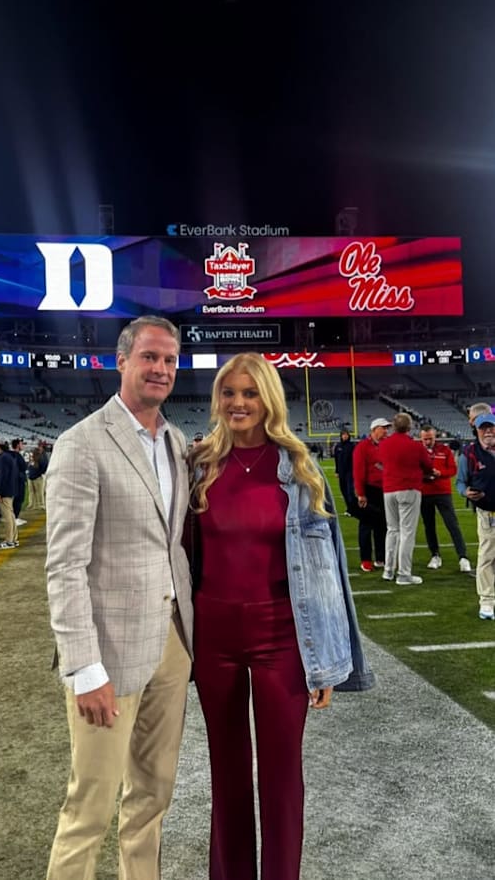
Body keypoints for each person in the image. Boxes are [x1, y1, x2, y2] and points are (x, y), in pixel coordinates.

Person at [187, 353, 374, 880]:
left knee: (282, 772)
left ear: (268, 399)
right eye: (229, 393)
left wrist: (326, 661)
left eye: (250, 393)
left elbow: (328, 569)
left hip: (284, 636)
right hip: (213, 635)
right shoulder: (198, 464)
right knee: (226, 770)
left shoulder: (299, 467)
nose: (238, 403)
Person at [44, 315, 194, 880]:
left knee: (153, 795)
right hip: (108, 652)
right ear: (122, 360)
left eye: (170, 360)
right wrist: (84, 668)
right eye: (150, 357)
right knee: (91, 806)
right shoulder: (81, 443)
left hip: (172, 642)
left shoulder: (175, 441)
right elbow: (65, 566)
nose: (161, 369)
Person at [379, 412, 434, 585]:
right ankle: (403, 574)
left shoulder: (384, 444)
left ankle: (388, 570)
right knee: (407, 533)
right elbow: (428, 466)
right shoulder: (415, 446)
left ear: (394, 426)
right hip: (408, 488)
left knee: (392, 530)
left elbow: (381, 462)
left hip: (389, 490)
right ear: (410, 427)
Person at [419, 425, 474, 576]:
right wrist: (424, 476)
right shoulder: (418, 451)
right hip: (425, 492)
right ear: (421, 438)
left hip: (443, 492)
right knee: (429, 526)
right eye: (425, 439)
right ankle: (435, 555)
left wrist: (440, 473)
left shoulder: (444, 450)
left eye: (430, 438)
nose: (427, 442)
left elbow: (452, 470)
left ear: (435, 437)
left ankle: (463, 557)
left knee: (452, 524)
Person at [456, 412, 495, 620]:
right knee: (487, 556)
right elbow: (460, 482)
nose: (488, 431)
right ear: (476, 430)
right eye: (483, 428)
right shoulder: (470, 453)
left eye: (491, 427)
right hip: (488, 512)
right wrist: (466, 492)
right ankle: (487, 601)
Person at [352, 417, 391, 572]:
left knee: (382, 526)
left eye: (387, 428)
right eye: (383, 428)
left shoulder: (387, 445)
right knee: (366, 526)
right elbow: (358, 471)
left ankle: (381, 557)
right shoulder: (362, 447)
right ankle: (366, 559)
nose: (386, 431)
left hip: (385, 489)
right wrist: (361, 494)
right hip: (370, 489)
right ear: (374, 430)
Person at [0, 440, 19, 550]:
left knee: (7, 516)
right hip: (11, 489)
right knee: (11, 514)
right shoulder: (10, 457)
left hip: (5, 491)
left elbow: (2, 476)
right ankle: (14, 539)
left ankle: (9, 541)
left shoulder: (3, 458)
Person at [333, 429, 355, 515]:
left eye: (346, 435)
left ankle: (353, 509)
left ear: (349, 436)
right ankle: (349, 508)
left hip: (350, 471)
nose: (345, 436)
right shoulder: (338, 446)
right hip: (341, 472)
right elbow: (336, 459)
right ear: (341, 436)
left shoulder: (352, 446)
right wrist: (337, 471)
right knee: (343, 491)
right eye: (343, 435)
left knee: (350, 491)